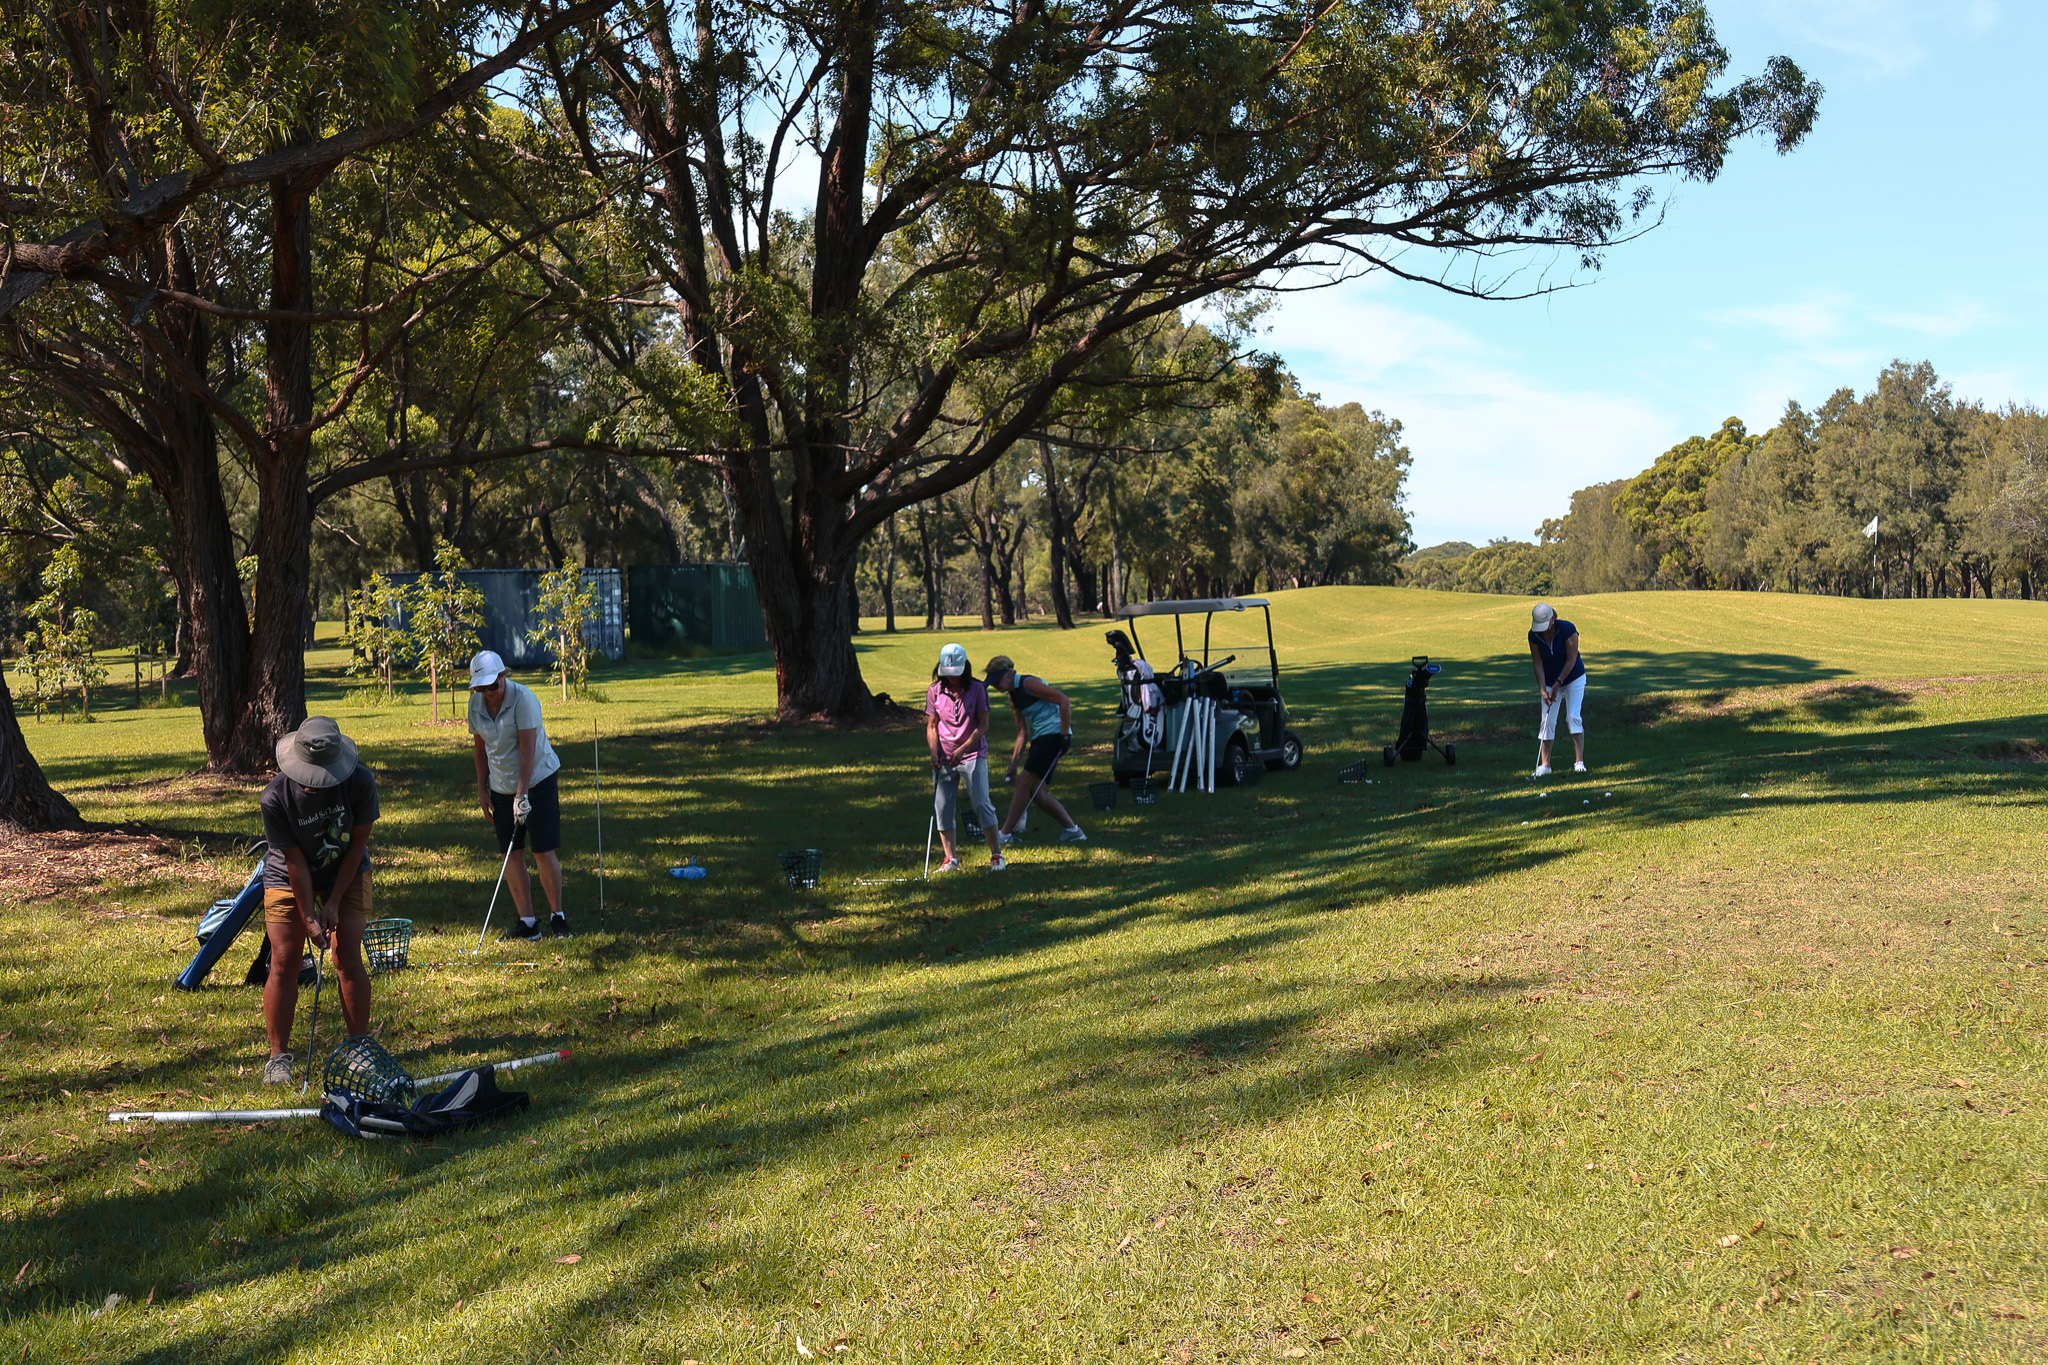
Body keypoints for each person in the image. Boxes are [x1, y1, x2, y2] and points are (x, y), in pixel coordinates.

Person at [258, 717, 377, 1085]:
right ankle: (278, 1058)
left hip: (347, 870)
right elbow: (294, 862)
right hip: (287, 876)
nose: (312, 783)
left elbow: (356, 847)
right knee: (284, 960)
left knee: (347, 955)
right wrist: (309, 915)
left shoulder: (360, 782)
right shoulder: (275, 797)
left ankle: (359, 1048)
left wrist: (334, 902)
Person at [467, 649, 568, 939]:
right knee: (510, 853)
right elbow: (480, 749)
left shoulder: (524, 700)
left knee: (542, 850)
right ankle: (528, 923)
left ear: (503, 676)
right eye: (482, 688)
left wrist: (522, 796)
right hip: (501, 786)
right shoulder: (475, 704)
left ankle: (557, 917)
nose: (489, 692)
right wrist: (482, 789)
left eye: (493, 685)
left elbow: (527, 754)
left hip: (537, 780)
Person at [985, 655, 1086, 844]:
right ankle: (1073, 831)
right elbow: (1022, 733)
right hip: (1041, 737)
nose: (996, 686)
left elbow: (1064, 700)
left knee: (1024, 782)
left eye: (997, 680)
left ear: (1009, 673)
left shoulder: (1028, 683)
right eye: (993, 683)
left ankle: (1004, 835)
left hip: (1054, 735)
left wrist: (1065, 734)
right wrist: (1013, 765)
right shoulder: (1013, 698)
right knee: (1037, 793)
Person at [925, 643, 1006, 872]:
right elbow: (932, 725)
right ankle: (950, 859)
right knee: (942, 807)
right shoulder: (935, 690)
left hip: (972, 754)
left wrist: (962, 749)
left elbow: (983, 725)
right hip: (943, 758)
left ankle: (996, 855)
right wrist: (934, 752)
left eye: (956, 673)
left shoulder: (978, 688)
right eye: (947, 673)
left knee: (981, 803)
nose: (952, 678)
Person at [1527, 602, 1587, 776]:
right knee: (1547, 721)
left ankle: (1579, 762)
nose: (1542, 630)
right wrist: (1542, 688)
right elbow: (1538, 663)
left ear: (1553, 619)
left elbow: (1571, 659)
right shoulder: (1534, 636)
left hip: (1574, 677)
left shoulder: (1568, 629)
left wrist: (1558, 682)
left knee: (1573, 717)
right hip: (1549, 680)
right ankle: (1545, 765)